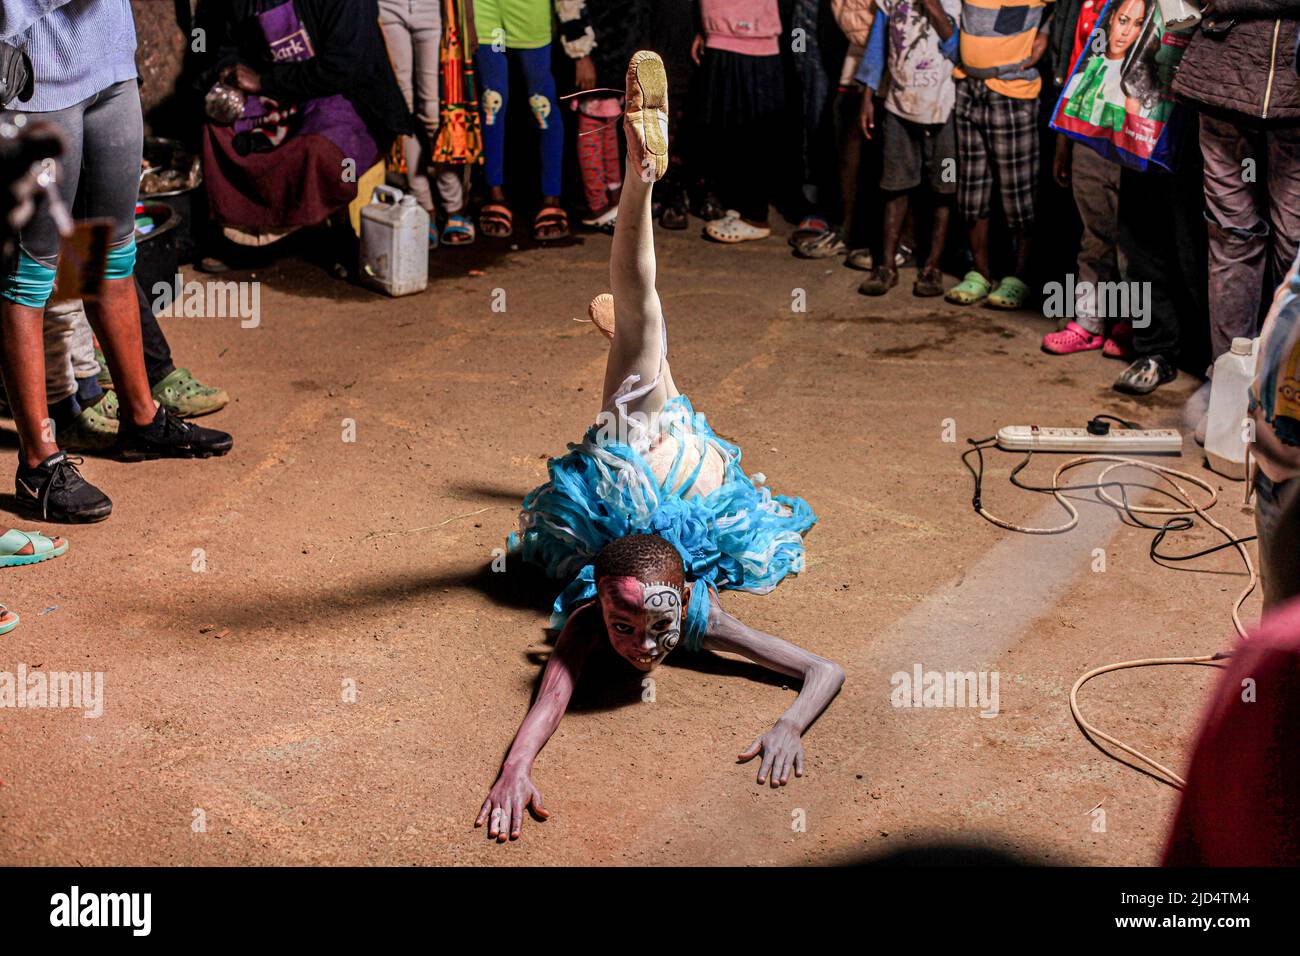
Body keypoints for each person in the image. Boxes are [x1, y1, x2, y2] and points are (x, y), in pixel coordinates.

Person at [476, 52, 844, 841]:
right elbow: (550, 697)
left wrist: (792, 728)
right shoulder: (640, 612)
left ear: (682, 597)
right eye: (630, 629)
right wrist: (514, 768)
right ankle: (645, 190)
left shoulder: (676, 610)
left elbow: (825, 673)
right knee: (646, 344)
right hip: (694, 475)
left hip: (634, 466)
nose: (643, 647)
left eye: (651, 630)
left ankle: (640, 182)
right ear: (603, 600)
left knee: (642, 334)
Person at [1, 0, 232, 524]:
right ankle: (37, 464)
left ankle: (141, 418)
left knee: (107, 250)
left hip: (109, 65)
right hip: (35, 76)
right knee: (30, 273)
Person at [200, 0, 415, 261]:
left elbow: (344, 67)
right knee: (218, 130)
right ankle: (246, 237)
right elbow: (228, 46)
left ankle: (337, 234)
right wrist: (228, 69)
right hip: (279, 95)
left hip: (343, 94)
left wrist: (263, 81)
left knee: (322, 149)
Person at [1171, 0, 1300, 366]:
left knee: (1295, 244)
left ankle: (1282, 392)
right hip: (1222, 78)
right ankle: (1228, 382)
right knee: (1231, 235)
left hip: (1292, 90)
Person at [943, 0, 1051, 310]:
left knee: (1018, 191)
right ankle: (980, 273)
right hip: (967, 86)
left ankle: (1019, 277)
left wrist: (1046, 31)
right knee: (971, 189)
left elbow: (1069, 10)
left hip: (1013, 92)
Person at [1041, 0, 1132, 358]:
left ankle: (1129, 322)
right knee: (1094, 233)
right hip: (1088, 128)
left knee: (1132, 238)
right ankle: (1089, 322)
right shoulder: (1087, 6)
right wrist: (1065, 138)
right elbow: (1077, 68)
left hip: (1133, 132)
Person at [856, 0, 960, 298]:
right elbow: (877, 46)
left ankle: (933, 266)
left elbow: (958, 50)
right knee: (894, 186)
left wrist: (934, 8)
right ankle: (886, 265)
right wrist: (868, 96)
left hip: (943, 105)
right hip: (899, 103)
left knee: (944, 188)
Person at [472, 0, 594, 241]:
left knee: (541, 104)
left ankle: (551, 196)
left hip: (531, 15)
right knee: (492, 101)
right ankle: (494, 192)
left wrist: (580, 50)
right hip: (487, 14)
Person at [378, 0, 475, 246]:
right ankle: (422, 206)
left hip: (432, 9)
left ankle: (453, 205)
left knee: (432, 113)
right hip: (387, 7)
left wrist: (469, 22)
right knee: (403, 109)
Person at [692, 0, 786, 243]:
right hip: (722, 37)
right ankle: (743, 208)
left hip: (752, 42)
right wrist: (705, 30)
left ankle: (755, 217)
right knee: (728, 131)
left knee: (752, 133)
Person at [571, 0, 650, 233]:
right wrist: (581, 55)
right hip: (595, 55)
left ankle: (614, 197)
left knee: (609, 127)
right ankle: (597, 203)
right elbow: (569, 8)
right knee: (593, 128)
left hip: (619, 53)